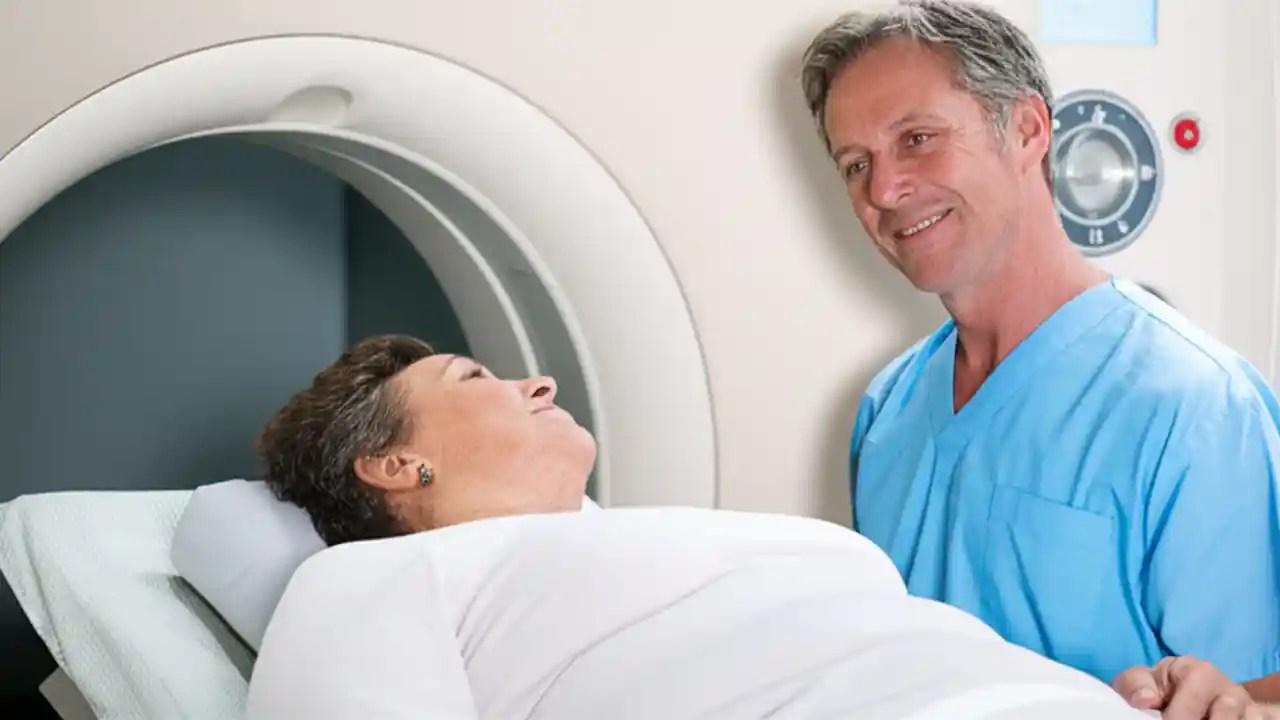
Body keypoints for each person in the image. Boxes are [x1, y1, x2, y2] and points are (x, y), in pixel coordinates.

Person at [245, 334, 1177, 719]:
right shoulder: (380, 577)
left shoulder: (666, 535)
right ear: (393, 465)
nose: (537, 382)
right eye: (472, 379)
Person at [798, 1, 1280, 717]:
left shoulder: (1196, 407)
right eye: (855, 164)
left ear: (1027, 129)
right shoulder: (887, 409)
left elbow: (1258, 692)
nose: (882, 190)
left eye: (919, 138)